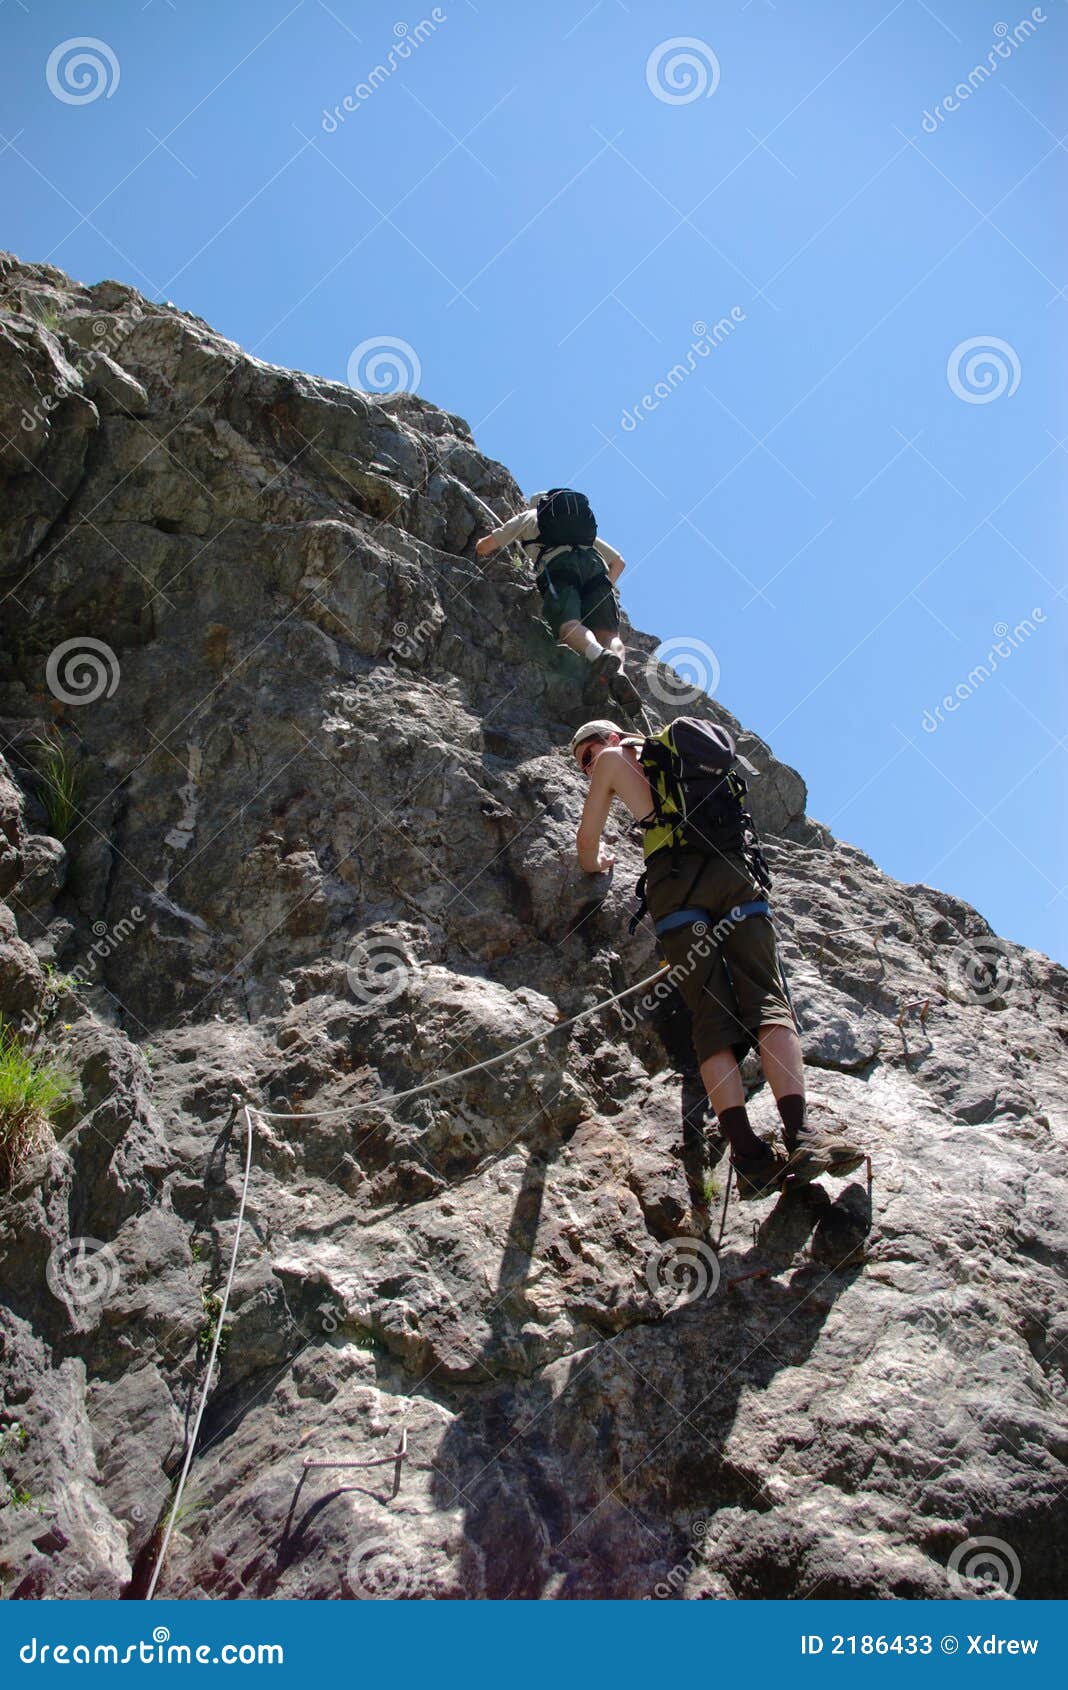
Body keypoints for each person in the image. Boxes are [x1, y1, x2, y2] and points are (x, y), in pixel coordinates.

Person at [569, 718, 865, 1201]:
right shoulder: (682, 752)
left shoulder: (609, 761)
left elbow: (586, 844)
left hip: (676, 886)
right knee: (768, 998)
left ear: (608, 738)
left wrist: (599, 862)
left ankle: (749, 1157)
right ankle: (802, 1136)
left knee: (710, 1016)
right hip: (731, 868)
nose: (586, 767)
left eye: (585, 755)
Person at [475, 489, 642, 714]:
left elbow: (486, 546)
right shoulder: (580, 530)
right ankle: (619, 673)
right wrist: (600, 588)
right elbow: (619, 562)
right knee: (610, 636)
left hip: (560, 567)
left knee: (568, 626)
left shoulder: (530, 517)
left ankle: (599, 656)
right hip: (596, 569)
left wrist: (478, 546)